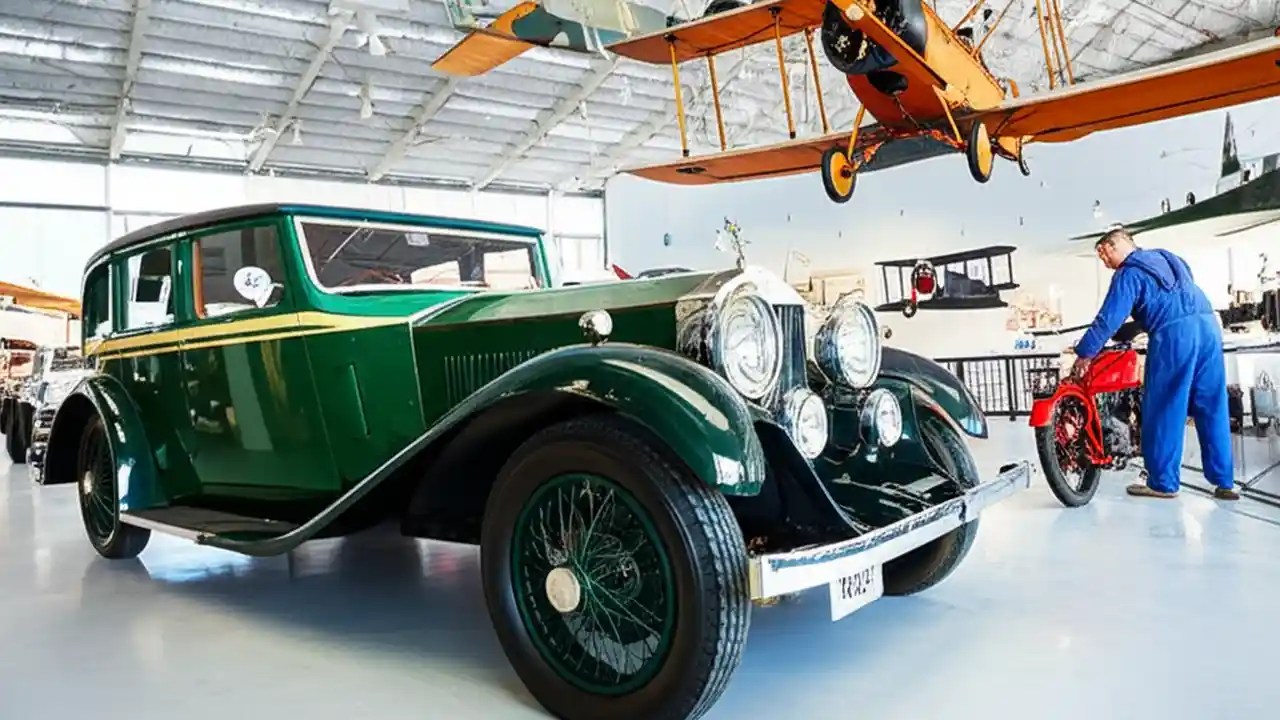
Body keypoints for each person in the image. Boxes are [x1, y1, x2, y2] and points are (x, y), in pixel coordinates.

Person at [1071, 227, 1239, 500]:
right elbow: (1173, 298)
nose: (1104, 261)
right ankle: (1225, 482)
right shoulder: (1168, 257)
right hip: (1208, 327)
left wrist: (1085, 353)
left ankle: (1162, 483)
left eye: (1102, 254)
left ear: (1110, 247)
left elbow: (1108, 318)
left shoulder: (1128, 273)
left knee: (1164, 407)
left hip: (1175, 336)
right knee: (1212, 404)